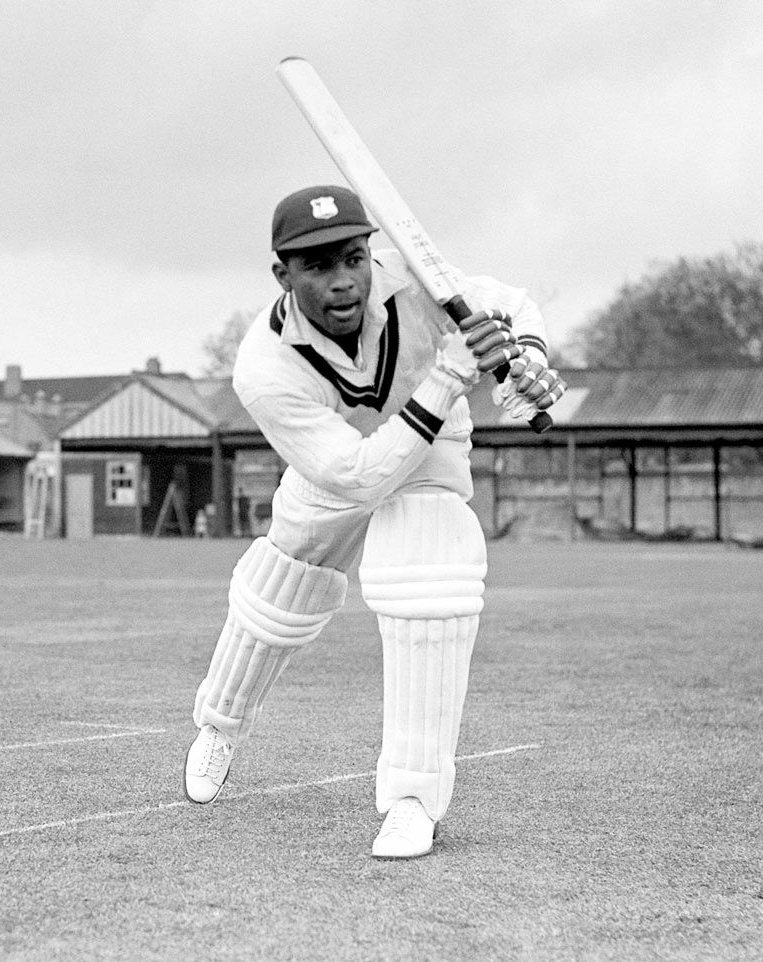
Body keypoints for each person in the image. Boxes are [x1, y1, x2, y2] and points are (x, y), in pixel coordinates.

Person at [183, 185, 565, 859]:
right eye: (318, 266)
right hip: (338, 462)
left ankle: (414, 800)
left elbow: (509, 305)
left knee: (430, 588)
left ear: (370, 253)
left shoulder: (418, 279)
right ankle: (221, 723)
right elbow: (361, 476)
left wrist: (525, 362)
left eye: (353, 259)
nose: (343, 282)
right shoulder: (264, 367)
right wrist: (448, 377)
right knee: (281, 591)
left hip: (432, 450)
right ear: (282, 275)